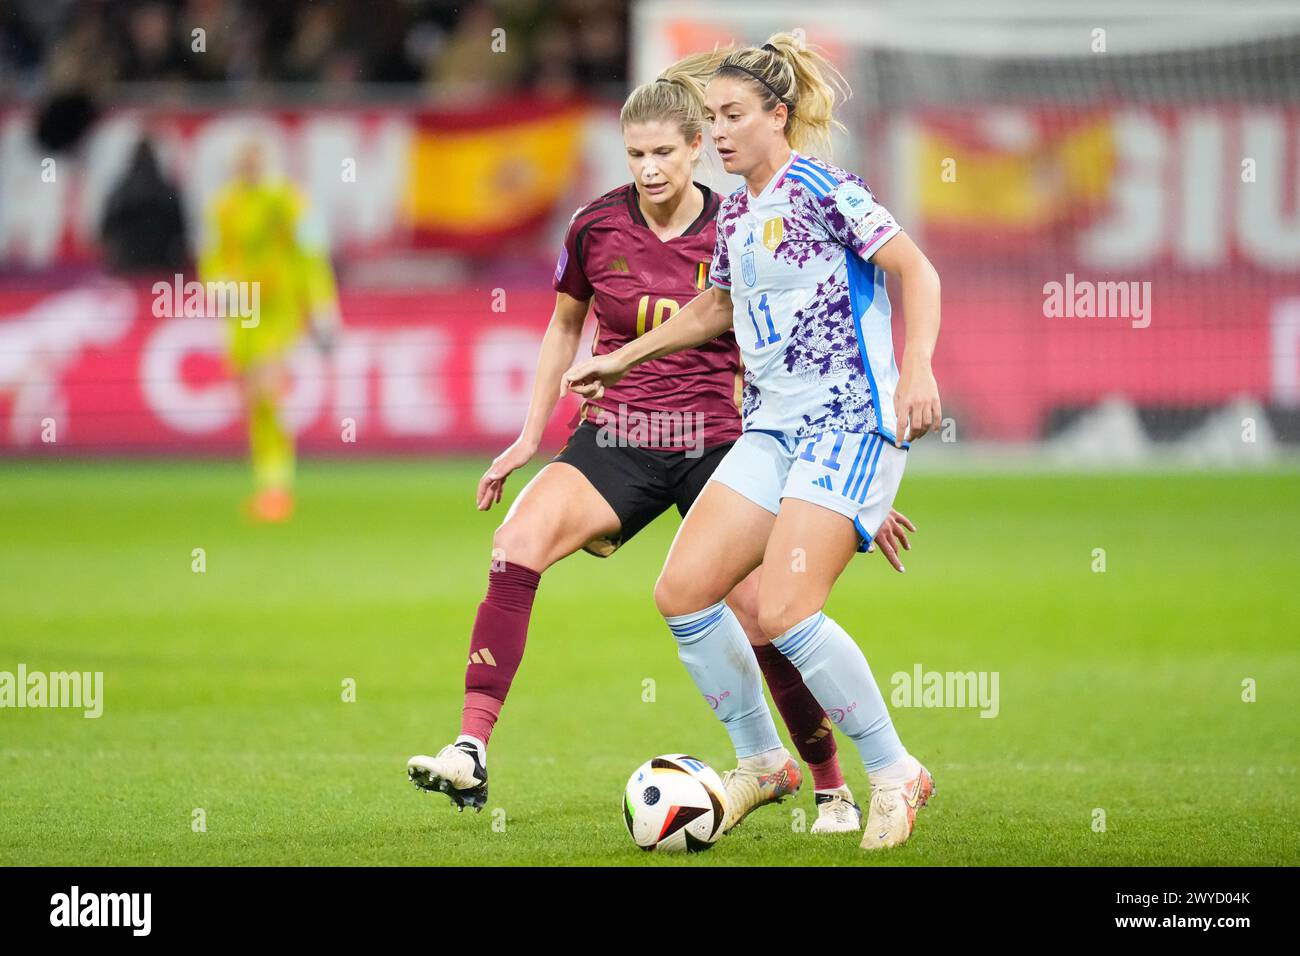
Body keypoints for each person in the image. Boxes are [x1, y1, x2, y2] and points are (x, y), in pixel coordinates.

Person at [408, 51, 918, 837]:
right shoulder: (626, 224)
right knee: (540, 551)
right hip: (637, 433)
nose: (653, 166)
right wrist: (554, 413)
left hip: (731, 434)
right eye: (637, 153)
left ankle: (838, 784)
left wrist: (859, 482)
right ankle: (474, 744)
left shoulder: (782, 198)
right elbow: (652, 317)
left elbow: (894, 280)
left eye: (676, 145)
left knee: (767, 614)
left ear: (695, 151)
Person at [561, 33, 943, 851]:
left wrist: (917, 369)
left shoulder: (823, 188)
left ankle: (894, 770)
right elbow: (714, 310)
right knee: (683, 590)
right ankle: (764, 762)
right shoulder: (737, 210)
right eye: (713, 117)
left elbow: (918, 270)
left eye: (733, 116)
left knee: (785, 607)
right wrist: (620, 357)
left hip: (847, 420)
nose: (720, 133)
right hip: (772, 429)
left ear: (780, 115)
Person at [199, 142, 340, 522]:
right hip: (241, 313)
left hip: (281, 309)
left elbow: (312, 255)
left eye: (255, 160)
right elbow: (211, 257)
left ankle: (277, 487)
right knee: (254, 399)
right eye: (243, 161)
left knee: (266, 387)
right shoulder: (223, 206)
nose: (249, 167)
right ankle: (268, 483)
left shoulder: (290, 201)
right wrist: (217, 287)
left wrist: (324, 308)